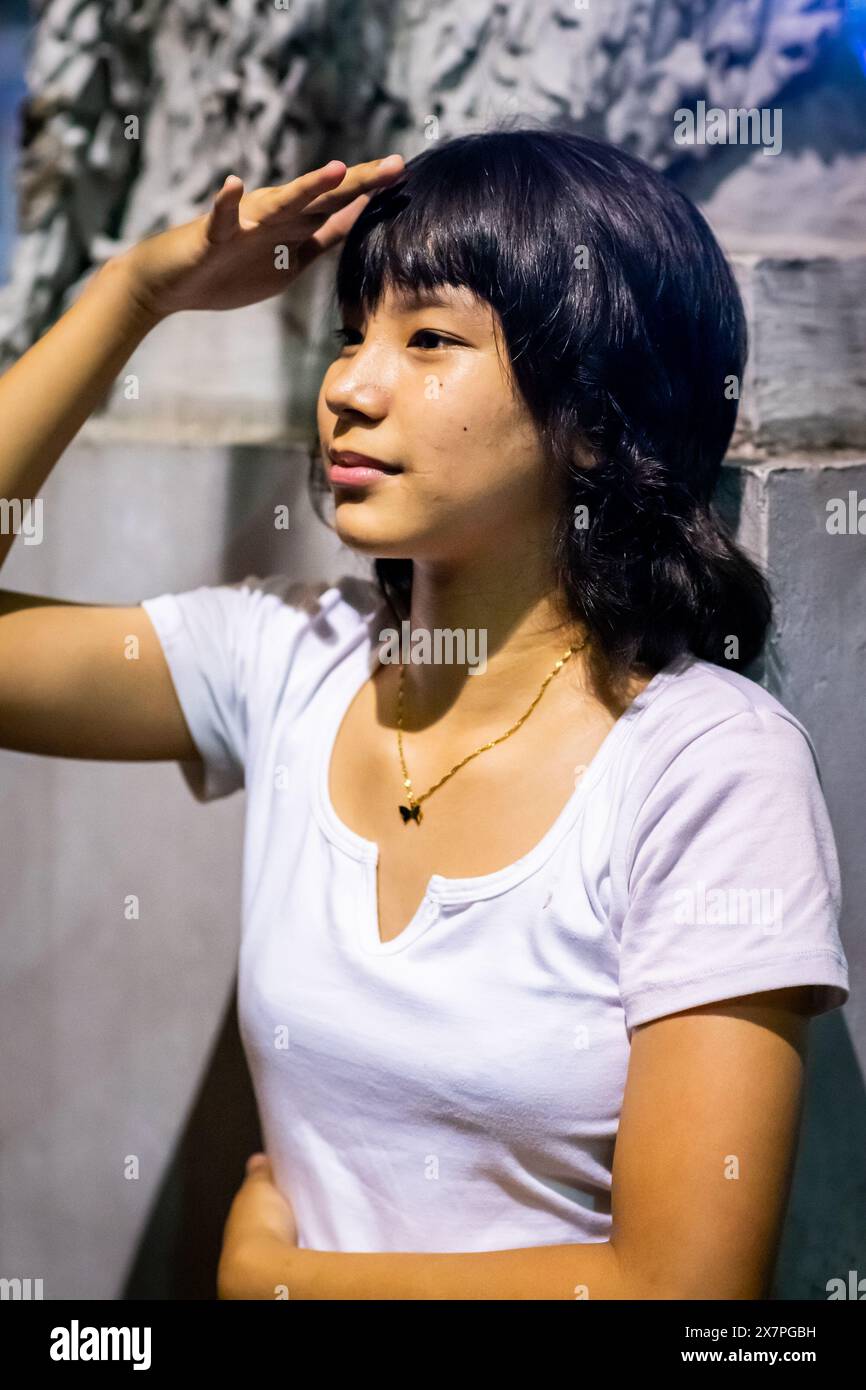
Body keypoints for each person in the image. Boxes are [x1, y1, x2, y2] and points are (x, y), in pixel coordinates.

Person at [0, 128, 849, 1301]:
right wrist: (134, 292)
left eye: (428, 338)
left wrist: (283, 1287)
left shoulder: (707, 768)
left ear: (592, 420)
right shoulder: (289, 656)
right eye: (353, 335)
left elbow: (685, 1293)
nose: (348, 385)